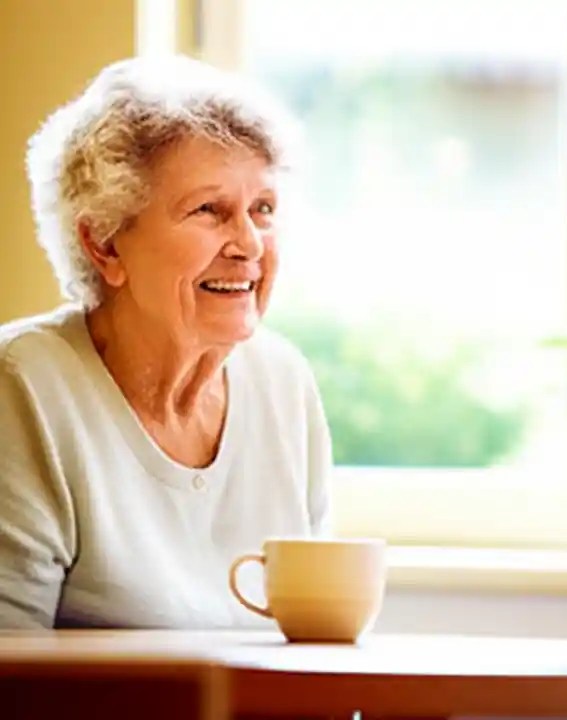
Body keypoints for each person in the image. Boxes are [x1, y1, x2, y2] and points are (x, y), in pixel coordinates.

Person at [0, 55, 331, 629]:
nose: (249, 244)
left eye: (263, 209)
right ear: (105, 244)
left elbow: (319, 642)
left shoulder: (284, 383)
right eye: (210, 210)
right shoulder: (23, 388)